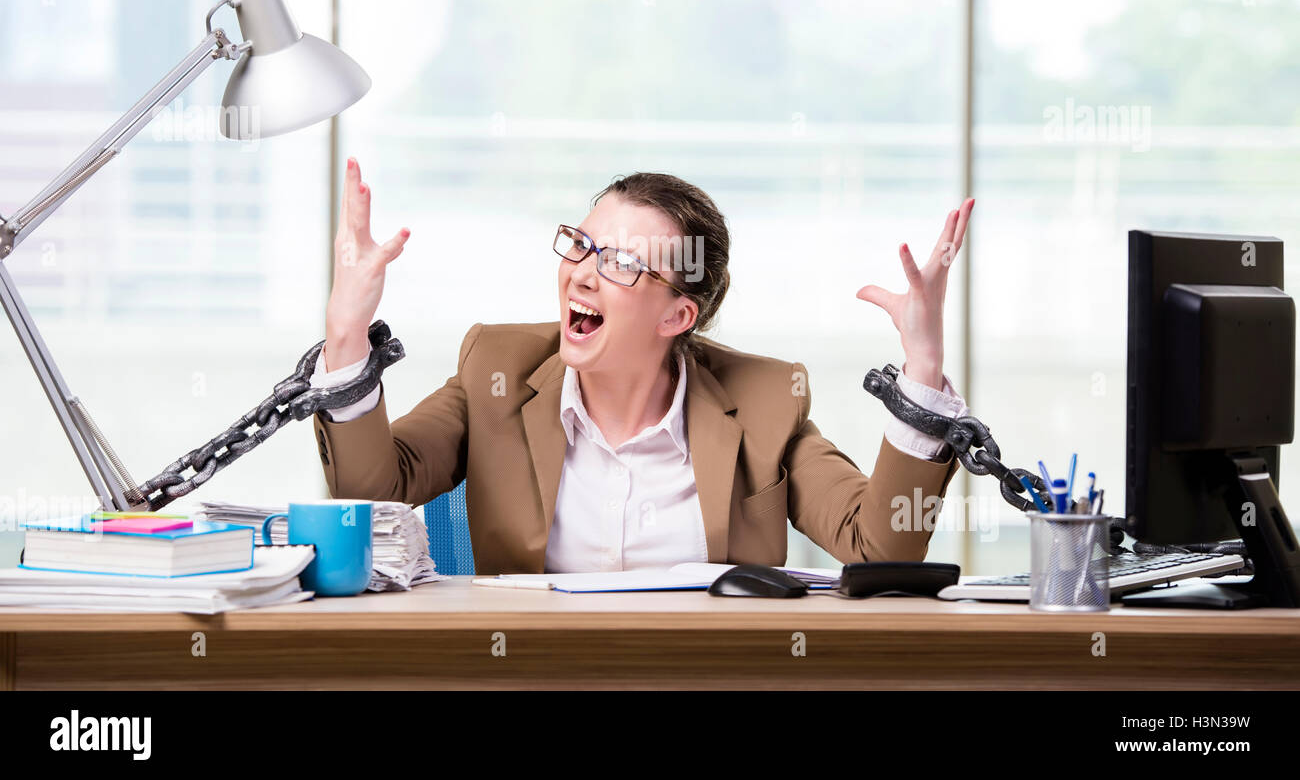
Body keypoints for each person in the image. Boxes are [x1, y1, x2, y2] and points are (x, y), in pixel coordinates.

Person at [310, 160, 975, 575]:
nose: (583, 274)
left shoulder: (764, 401)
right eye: (581, 245)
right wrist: (345, 334)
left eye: (622, 263)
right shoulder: (497, 369)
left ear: (676, 317)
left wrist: (923, 367)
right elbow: (372, 492)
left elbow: (882, 549)